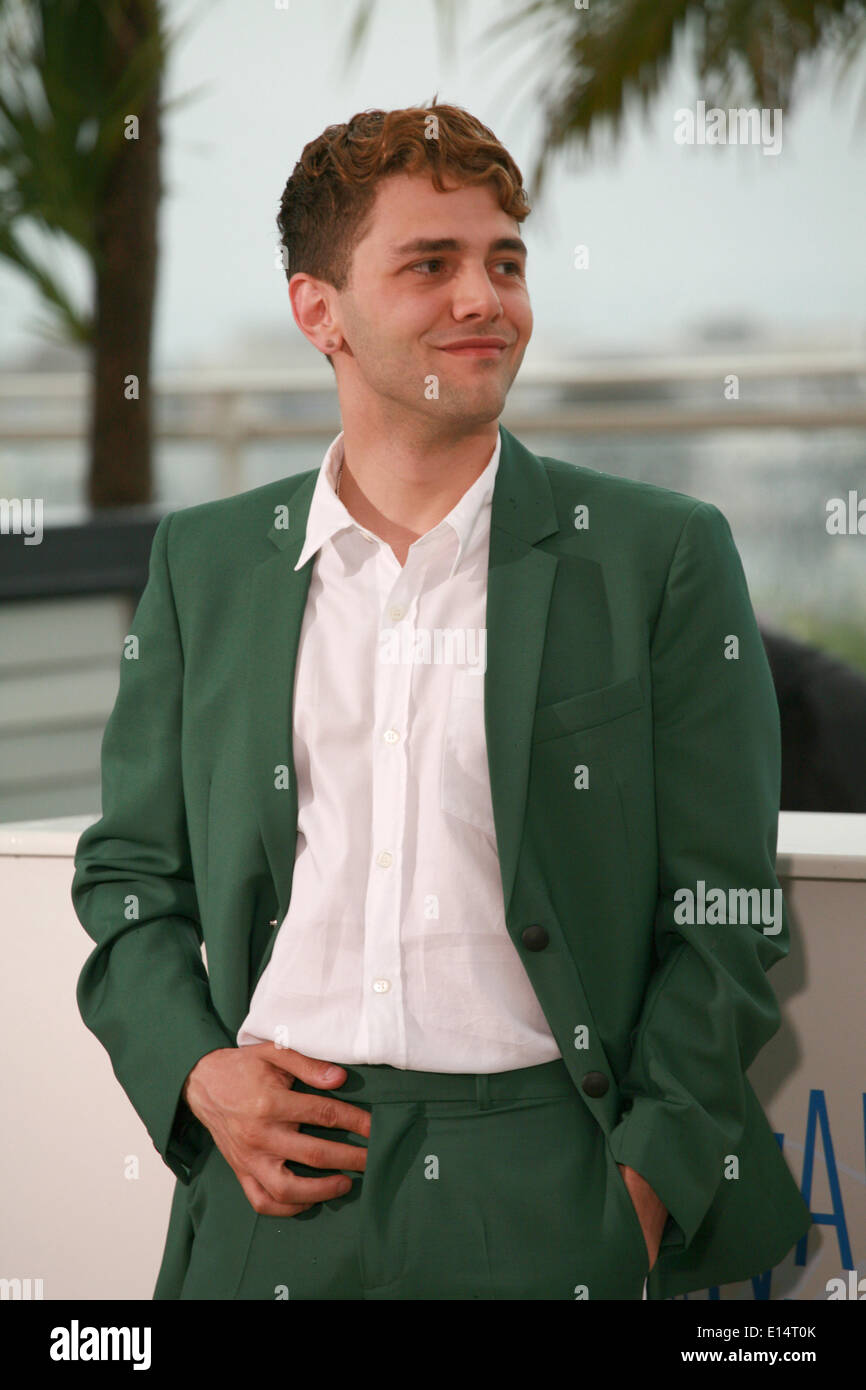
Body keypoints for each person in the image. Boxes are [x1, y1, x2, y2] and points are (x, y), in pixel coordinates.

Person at [71, 101, 812, 1301]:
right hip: (269, 1181)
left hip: (545, 1176)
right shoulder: (204, 565)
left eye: (504, 262)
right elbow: (128, 878)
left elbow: (724, 909)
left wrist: (635, 1192)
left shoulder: (657, 556)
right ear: (321, 311)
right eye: (431, 264)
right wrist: (198, 1075)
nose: (485, 298)